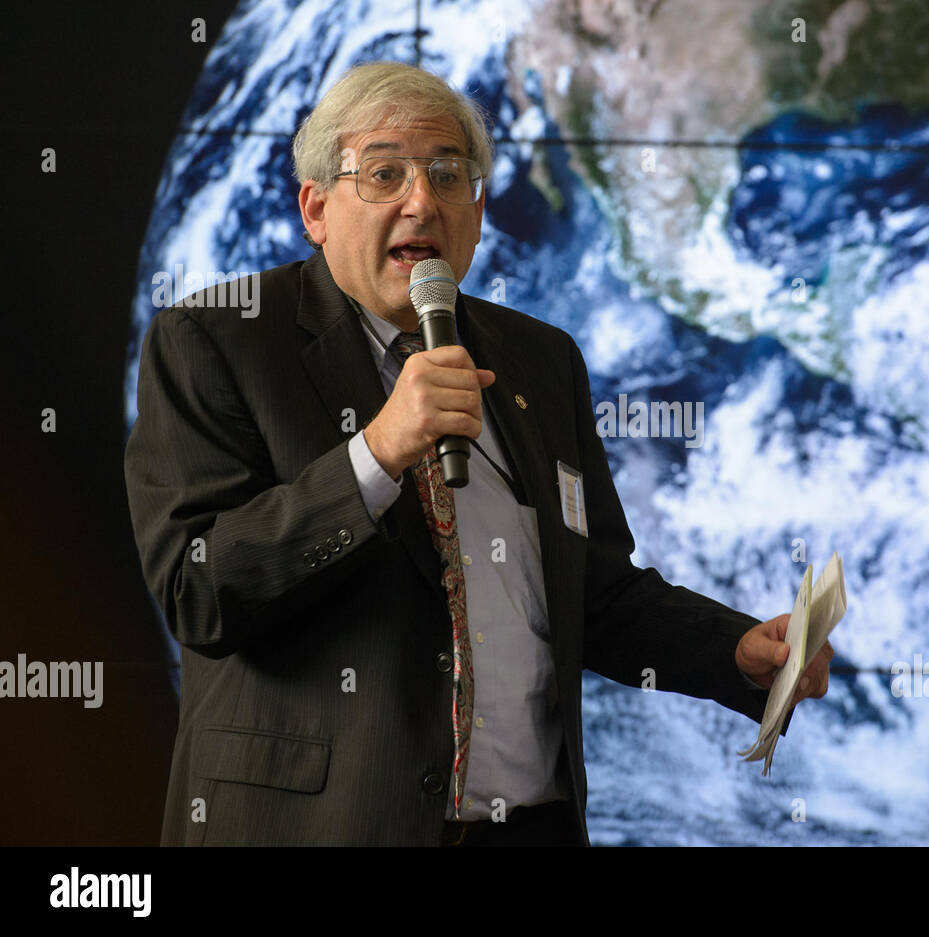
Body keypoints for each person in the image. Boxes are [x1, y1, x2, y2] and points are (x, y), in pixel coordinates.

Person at [124, 61, 833, 846]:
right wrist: (378, 451)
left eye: (448, 174)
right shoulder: (217, 342)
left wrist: (733, 649)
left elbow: (592, 591)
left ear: (478, 211)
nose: (421, 199)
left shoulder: (539, 359)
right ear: (316, 208)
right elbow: (196, 587)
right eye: (384, 172)